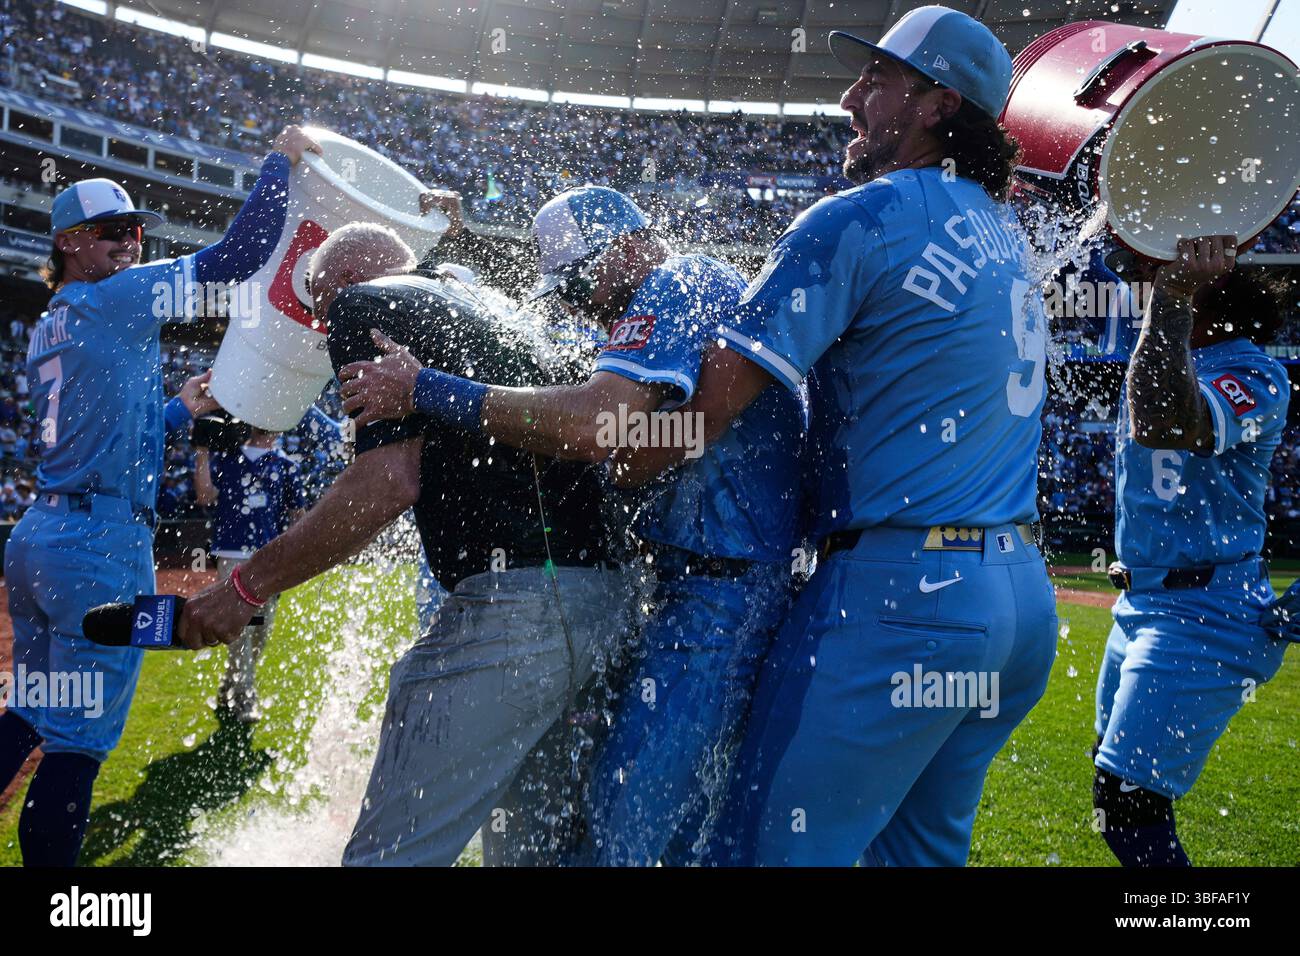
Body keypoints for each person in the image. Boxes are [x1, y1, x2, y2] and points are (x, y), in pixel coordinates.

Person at [573, 7, 1058, 866]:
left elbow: (709, 408)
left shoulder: (863, 215)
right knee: (913, 856)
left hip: (902, 593)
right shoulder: (1005, 236)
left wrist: (608, 466)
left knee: (766, 852)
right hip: (1019, 600)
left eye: (877, 80)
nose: (849, 97)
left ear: (937, 103)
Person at [340, 185, 809, 865]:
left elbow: (596, 426)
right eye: (568, 291)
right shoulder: (673, 288)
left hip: (721, 589)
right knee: (642, 813)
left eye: (584, 280)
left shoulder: (680, 280)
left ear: (632, 244)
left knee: (629, 823)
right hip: (708, 580)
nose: (582, 303)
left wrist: (426, 388)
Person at [177, 222, 637, 867]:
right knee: (539, 852)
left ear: (335, 285)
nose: (321, 329)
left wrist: (246, 586)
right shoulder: (493, 304)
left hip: (519, 607)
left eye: (317, 310)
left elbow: (387, 480)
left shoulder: (362, 303)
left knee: (390, 856)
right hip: (607, 600)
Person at [0, 124, 319, 866]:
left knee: (34, 708)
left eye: (136, 230)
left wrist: (179, 412)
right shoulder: (113, 300)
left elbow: (97, 432)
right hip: (97, 547)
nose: (130, 243)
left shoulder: (55, 320)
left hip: (42, 535)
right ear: (70, 242)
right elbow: (235, 260)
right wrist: (283, 162)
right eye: (111, 231)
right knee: (78, 743)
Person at [1092, 235, 1293, 866]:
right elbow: (1117, 250)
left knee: (1127, 804)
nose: (1151, 283)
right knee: (1116, 795)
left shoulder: (1256, 371)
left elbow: (1168, 423)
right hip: (1147, 604)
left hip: (1206, 610)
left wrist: (1174, 296)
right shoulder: (1171, 349)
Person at [194, 423, 307, 722]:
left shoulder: (285, 466)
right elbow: (205, 495)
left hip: (268, 559)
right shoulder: (230, 460)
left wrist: (293, 558)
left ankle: (230, 683)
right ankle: (245, 698)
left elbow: (298, 516)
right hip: (233, 555)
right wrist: (202, 453)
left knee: (260, 633)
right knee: (240, 631)